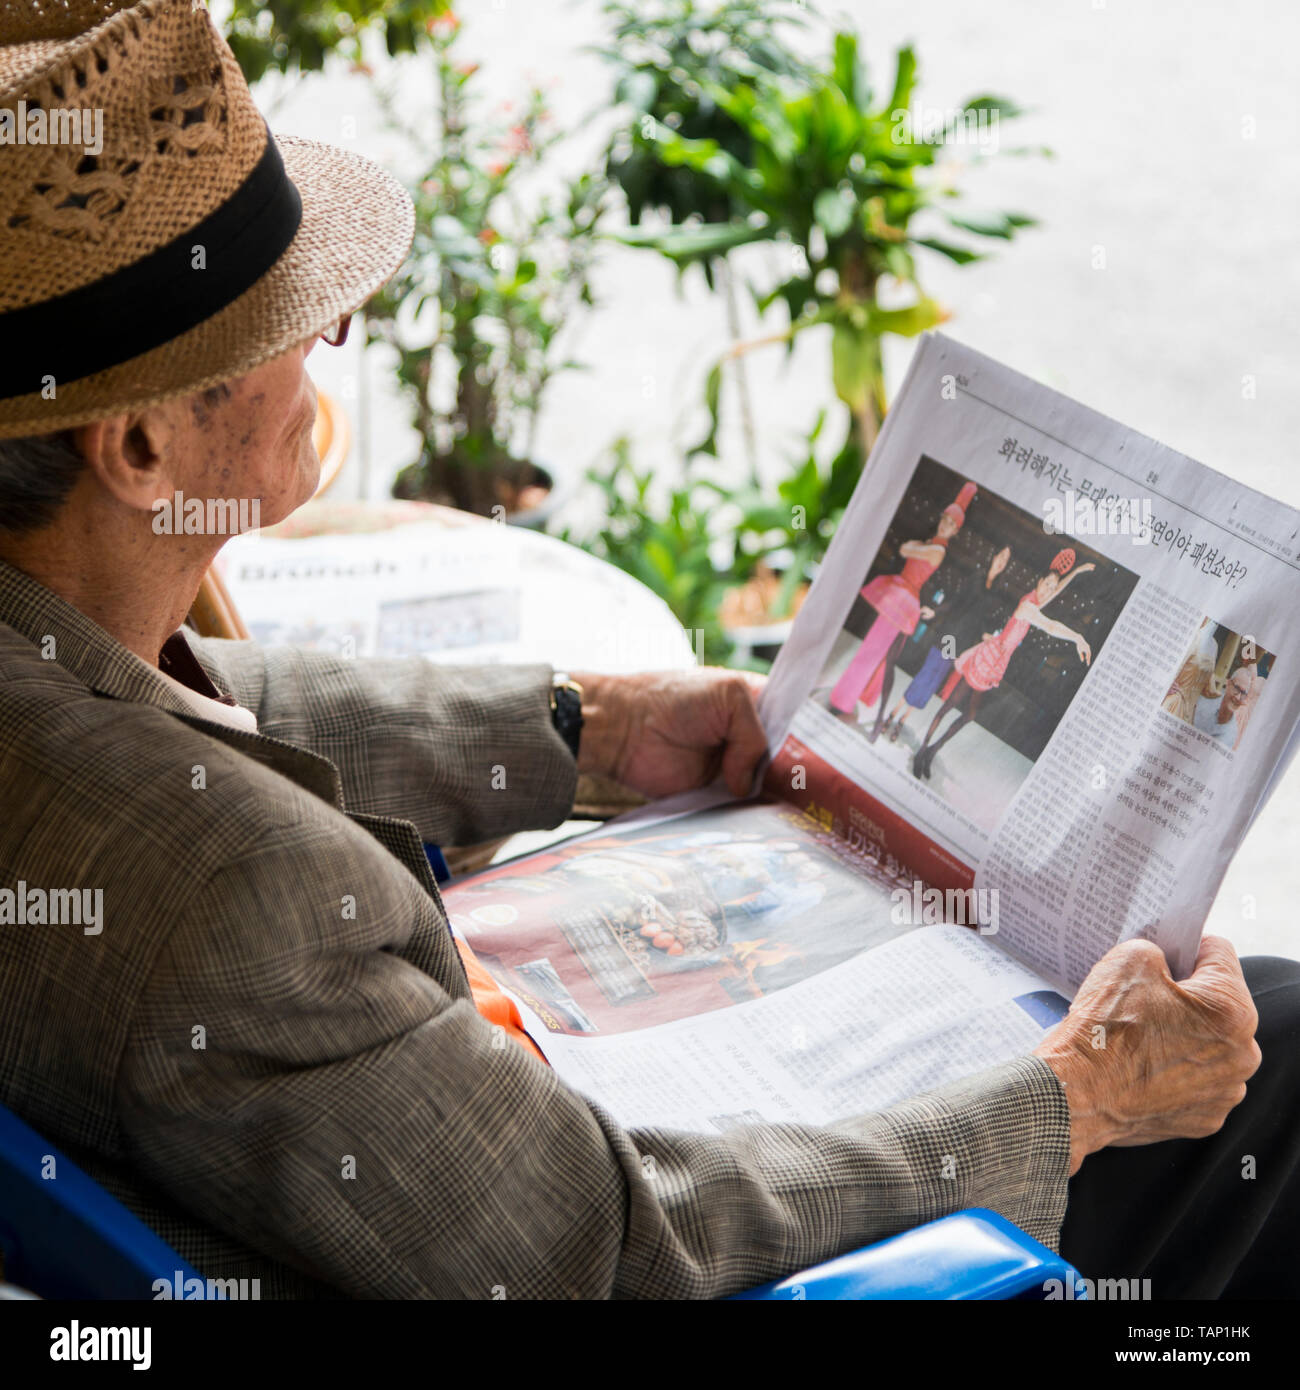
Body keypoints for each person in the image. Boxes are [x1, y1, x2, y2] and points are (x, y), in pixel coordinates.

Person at [0, 0, 1291, 1299]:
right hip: (634, 1224)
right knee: (1273, 1047)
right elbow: (608, 1241)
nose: (329, 349)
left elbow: (204, 704)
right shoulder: (232, 901)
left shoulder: (51, 660)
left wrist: (594, 727)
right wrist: (1081, 1094)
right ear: (143, 446)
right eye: (293, 321)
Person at [911, 548, 1094, 781]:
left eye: (1051, 587)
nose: (1049, 589)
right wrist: (1078, 637)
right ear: (1039, 581)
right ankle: (922, 752)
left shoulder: (1037, 598)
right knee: (949, 706)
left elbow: (1056, 591)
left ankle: (932, 751)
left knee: (970, 715)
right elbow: (1051, 626)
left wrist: (1076, 572)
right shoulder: (1029, 606)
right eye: (1047, 584)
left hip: (998, 660)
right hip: (988, 656)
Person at [828, 482, 977, 741]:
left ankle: (845, 700)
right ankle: (853, 697)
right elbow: (905, 549)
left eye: (952, 525)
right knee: (876, 653)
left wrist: (914, 547)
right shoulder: (932, 543)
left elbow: (908, 549)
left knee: (873, 652)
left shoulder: (938, 549)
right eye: (945, 520)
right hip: (899, 596)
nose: (946, 525)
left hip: (904, 600)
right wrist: (914, 547)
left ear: (955, 531)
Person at [1193, 666, 1253, 749]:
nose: (1238, 697)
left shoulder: (1231, 734)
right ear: (1228, 684)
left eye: (1243, 693)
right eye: (1236, 688)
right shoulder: (1205, 698)